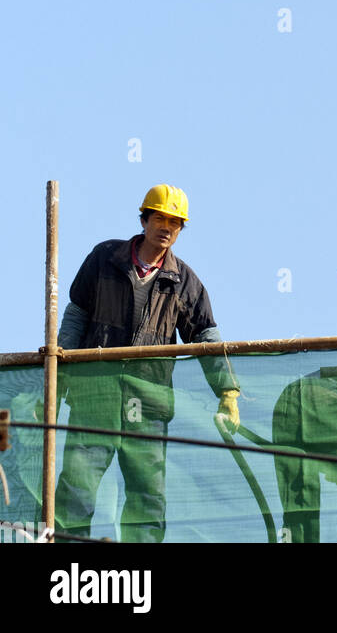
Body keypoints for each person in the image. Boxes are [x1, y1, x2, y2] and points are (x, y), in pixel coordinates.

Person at [54, 185, 240, 543]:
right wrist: (60, 368)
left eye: (175, 222)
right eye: (160, 218)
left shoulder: (183, 280)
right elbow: (77, 313)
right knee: (77, 486)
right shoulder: (105, 258)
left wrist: (227, 390)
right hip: (96, 394)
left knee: (147, 496)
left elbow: (205, 334)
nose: (167, 227)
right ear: (144, 219)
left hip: (148, 404)